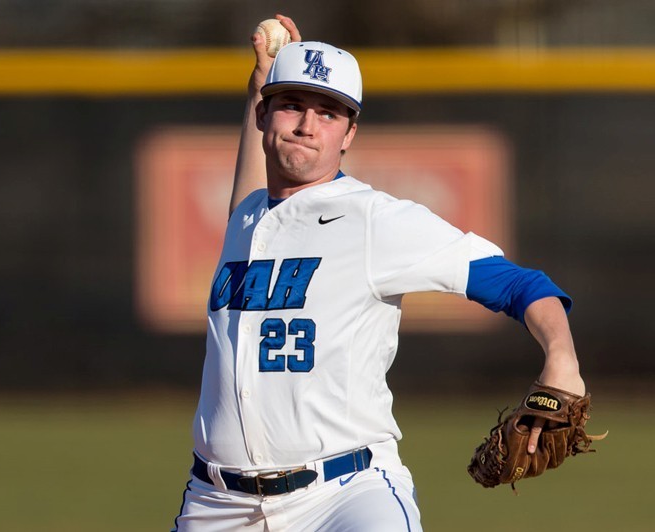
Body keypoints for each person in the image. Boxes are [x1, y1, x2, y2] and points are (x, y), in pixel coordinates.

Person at [172, 15, 586, 532]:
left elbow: (522, 284)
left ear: (349, 133)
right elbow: (257, 186)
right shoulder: (248, 218)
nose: (307, 124)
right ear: (263, 114)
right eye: (292, 105)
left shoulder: (375, 220)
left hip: (344, 497)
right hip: (217, 505)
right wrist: (259, 81)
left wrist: (562, 360)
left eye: (328, 113)